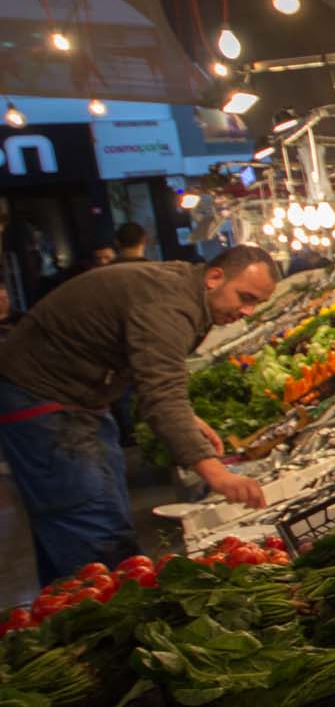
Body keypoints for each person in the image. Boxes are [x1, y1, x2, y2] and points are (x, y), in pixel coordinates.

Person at [0, 245, 277, 583]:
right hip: (42, 399)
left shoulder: (187, 291)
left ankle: (70, 603)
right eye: (244, 297)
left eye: (257, 304)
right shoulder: (170, 304)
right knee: (93, 524)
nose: (247, 311)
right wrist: (218, 475)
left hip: (79, 398)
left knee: (76, 523)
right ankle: (106, 606)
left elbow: (151, 367)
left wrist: (186, 418)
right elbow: (161, 393)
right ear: (215, 277)